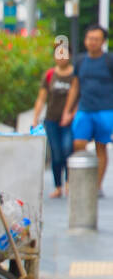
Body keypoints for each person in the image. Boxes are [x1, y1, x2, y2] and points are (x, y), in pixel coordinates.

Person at [60, 23, 113, 195]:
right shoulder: (80, 61)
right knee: (78, 143)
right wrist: (68, 111)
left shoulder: (109, 60)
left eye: (96, 39)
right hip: (85, 108)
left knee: (101, 146)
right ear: (85, 40)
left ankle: (96, 185)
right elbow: (75, 87)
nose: (93, 42)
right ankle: (82, 180)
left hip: (105, 109)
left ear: (103, 41)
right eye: (90, 38)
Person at [32, 38, 75, 199]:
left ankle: (69, 182)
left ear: (69, 55)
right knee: (56, 153)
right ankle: (58, 186)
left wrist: (71, 114)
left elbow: (79, 96)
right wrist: (35, 118)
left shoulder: (75, 74)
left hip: (69, 120)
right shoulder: (50, 75)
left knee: (67, 149)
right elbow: (41, 97)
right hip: (51, 119)